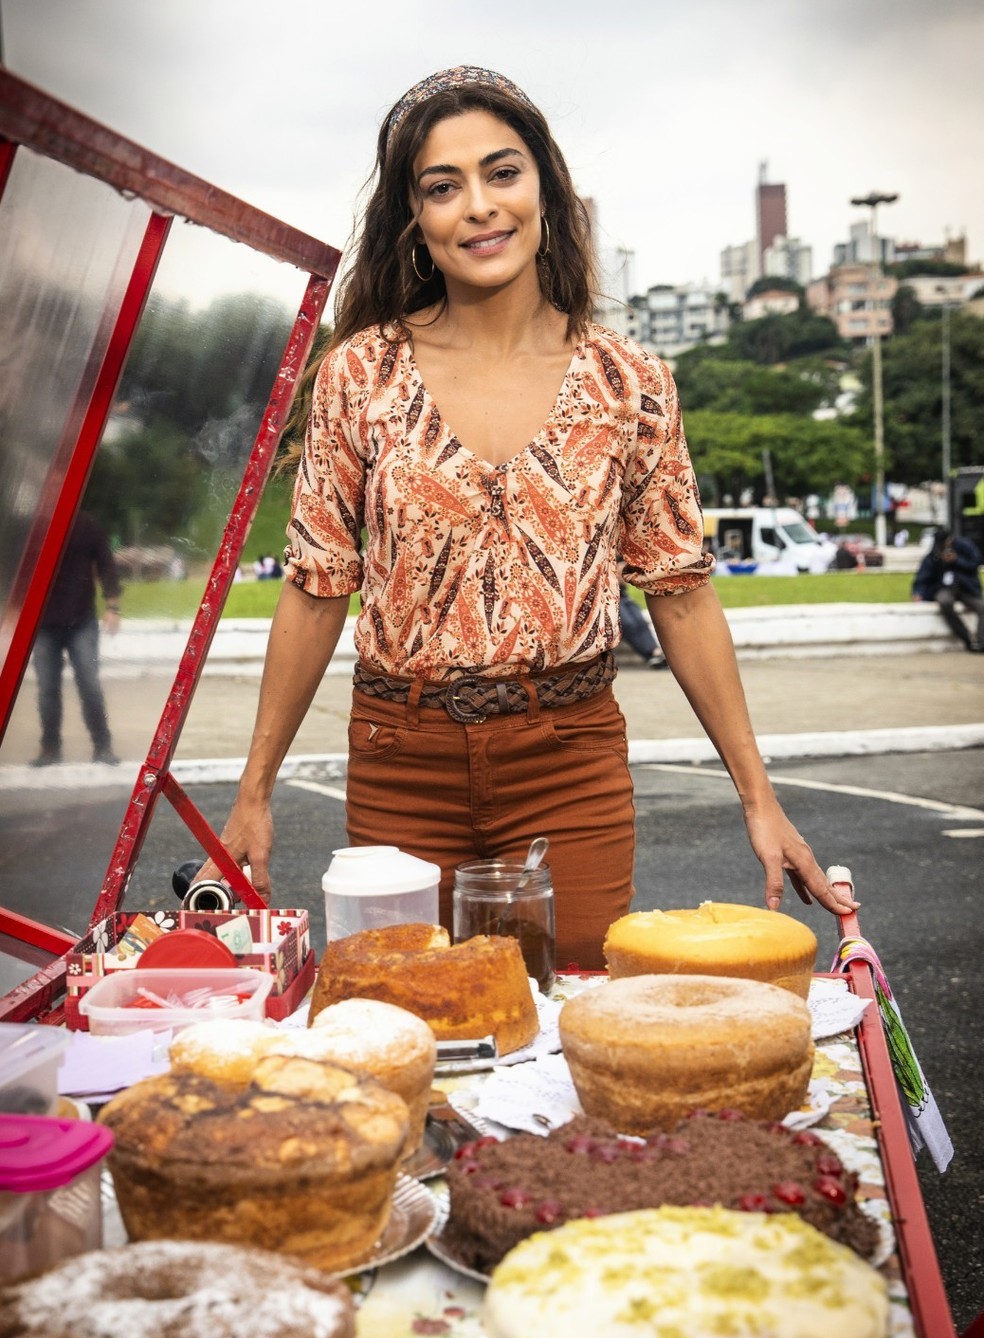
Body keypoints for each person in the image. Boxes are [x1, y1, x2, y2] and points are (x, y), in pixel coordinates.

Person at [200, 66, 856, 966]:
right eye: (443, 186)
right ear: (416, 223)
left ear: (546, 190)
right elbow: (316, 591)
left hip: (570, 765)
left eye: (502, 173)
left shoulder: (631, 384)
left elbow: (682, 594)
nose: (478, 206)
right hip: (403, 760)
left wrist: (759, 798)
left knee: (573, 1035)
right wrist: (255, 790)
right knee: (408, 1029)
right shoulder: (360, 375)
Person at [31, 509, 121, 766]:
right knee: (47, 688)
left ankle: (102, 746)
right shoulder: (36, 525)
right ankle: (50, 748)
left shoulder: (85, 524)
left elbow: (106, 563)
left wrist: (113, 606)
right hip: (44, 622)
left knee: (89, 685)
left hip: (81, 619)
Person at [912, 529, 984, 652]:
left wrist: (956, 560)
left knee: (981, 607)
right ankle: (967, 638)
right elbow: (923, 575)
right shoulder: (935, 553)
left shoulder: (964, 546)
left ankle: (981, 642)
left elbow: (975, 563)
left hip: (966, 587)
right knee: (945, 602)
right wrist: (918, 592)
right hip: (944, 588)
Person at [618, 581, 667, 669]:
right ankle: (653, 654)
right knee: (629, 624)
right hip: (610, 599)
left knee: (641, 621)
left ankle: (654, 653)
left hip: (623, 596)